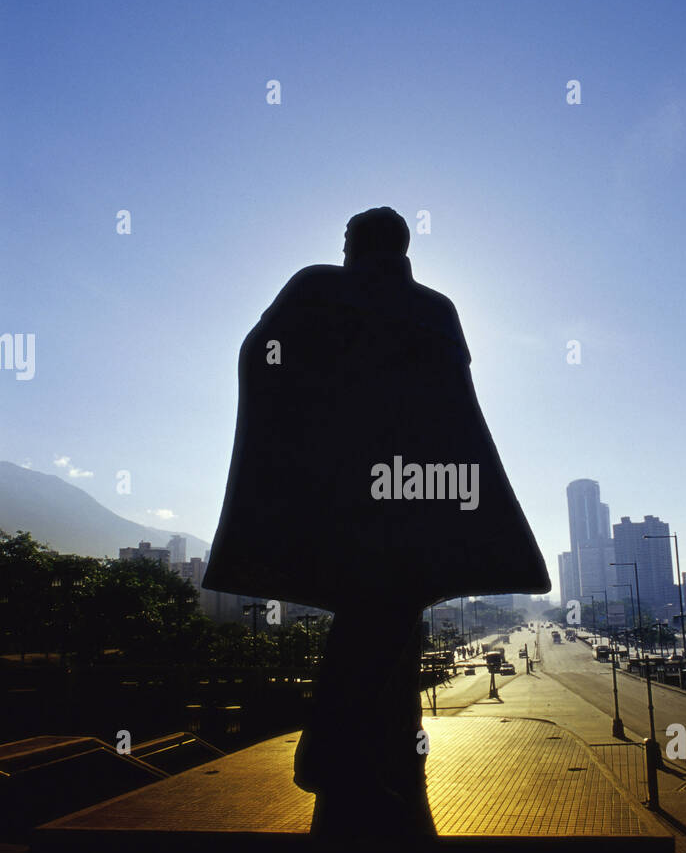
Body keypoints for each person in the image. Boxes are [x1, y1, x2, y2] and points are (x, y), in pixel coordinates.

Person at [203, 207, 549, 804]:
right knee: (390, 604)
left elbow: (261, 353)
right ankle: (359, 745)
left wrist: (305, 429)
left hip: (344, 493)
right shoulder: (437, 309)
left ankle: (338, 746)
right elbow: (459, 412)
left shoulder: (317, 286)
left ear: (356, 245)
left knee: (377, 605)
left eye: (345, 240)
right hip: (423, 494)